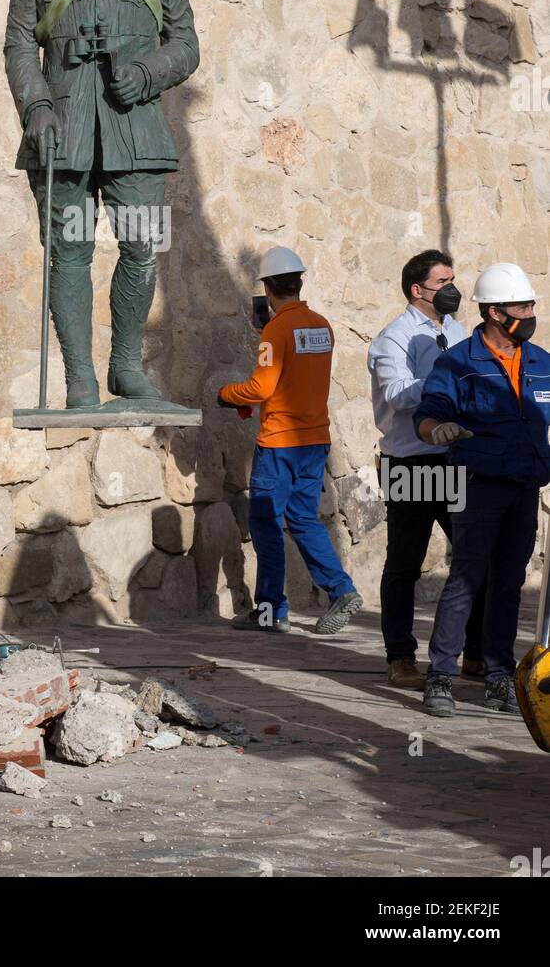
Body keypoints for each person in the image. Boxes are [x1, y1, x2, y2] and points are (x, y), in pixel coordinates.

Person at [4, 0, 199, 407]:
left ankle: (124, 364)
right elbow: (18, 44)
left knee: (141, 246)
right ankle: (79, 378)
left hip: (135, 128)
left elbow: (186, 43)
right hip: (63, 130)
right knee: (70, 250)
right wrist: (36, 105)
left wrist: (145, 73)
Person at [414, 262, 550, 717]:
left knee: (509, 582)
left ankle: (498, 677)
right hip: (476, 484)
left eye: (531, 304)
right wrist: (439, 430)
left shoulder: (540, 362)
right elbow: (427, 414)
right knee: (467, 578)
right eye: (522, 306)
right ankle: (440, 677)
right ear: (494, 313)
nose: (530, 313)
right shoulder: (458, 362)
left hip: (524, 484)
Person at [219, 247, 363, 635]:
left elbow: (260, 386)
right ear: (298, 283)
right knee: (302, 519)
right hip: (314, 439)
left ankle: (270, 611)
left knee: (266, 522)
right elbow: (299, 381)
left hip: (280, 443)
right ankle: (341, 590)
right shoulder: (322, 325)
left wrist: (228, 394)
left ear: (268, 288)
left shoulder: (276, 329)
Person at [367, 250, 485, 689]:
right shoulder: (392, 337)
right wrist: (446, 383)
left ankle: (475, 654)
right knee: (404, 565)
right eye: (442, 282)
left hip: (454, 460)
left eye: (453, 279)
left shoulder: (455, 330)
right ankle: (400, 657)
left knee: (476, 558)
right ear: (417, 290)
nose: (451, 288)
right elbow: (397, 393)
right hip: (410, 462)